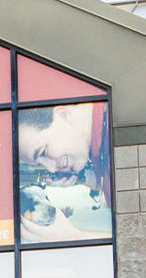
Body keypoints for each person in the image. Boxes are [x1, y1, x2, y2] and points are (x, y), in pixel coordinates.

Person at [15, 103, 111, 242]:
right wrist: (83, 179)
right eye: (40, 164)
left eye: (43, 152)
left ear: (62, 115)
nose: (52, 169)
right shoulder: (102, 144)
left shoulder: (119, 127)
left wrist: (73, 237)